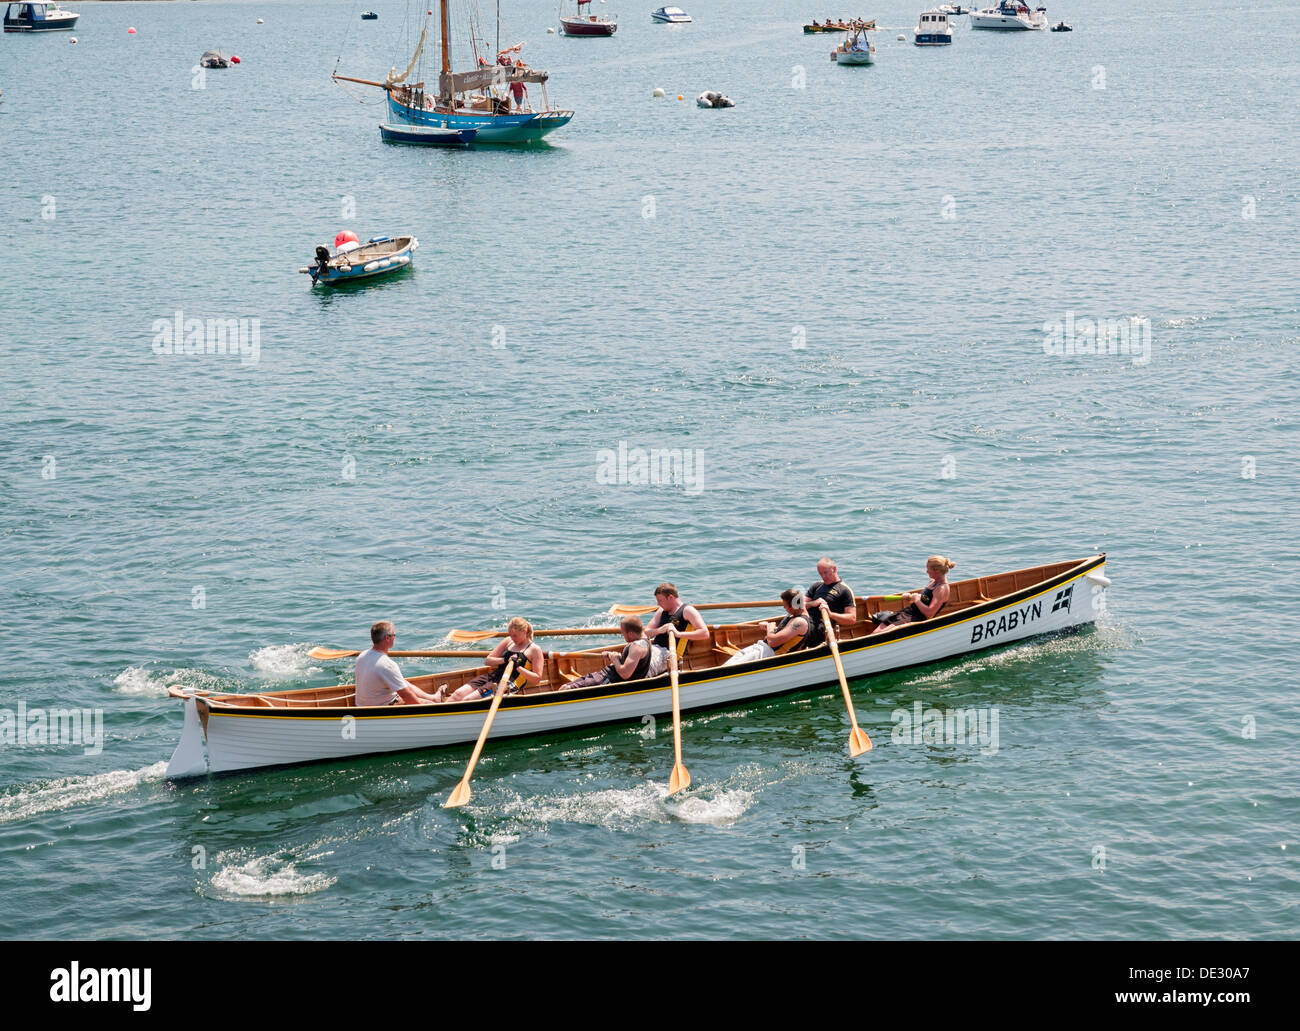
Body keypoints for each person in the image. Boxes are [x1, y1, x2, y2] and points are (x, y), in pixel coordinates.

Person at [433, 617, 545, 702]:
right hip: (493, 676)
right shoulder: (508, 641)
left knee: (468, 700)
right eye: (510, 635)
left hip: (509, 683)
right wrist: (504, 660)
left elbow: (537, 679)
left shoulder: (535, 650)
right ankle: (439, 713)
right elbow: (488, 661)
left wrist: (518, 667)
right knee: (457, 694)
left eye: (515, 635)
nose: (512, 638)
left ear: (525, 631)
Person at [355, 621, 440, 706]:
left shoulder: (362, 656)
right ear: (387, 638)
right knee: (428, 704)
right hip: (382, 707)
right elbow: (407, 696)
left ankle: (433, 698)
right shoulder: (387, 664)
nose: (394, 638)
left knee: (402, 682)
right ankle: (432, 701)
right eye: (393, 635)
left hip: (361, 705)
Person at [723, 588, 811, 666]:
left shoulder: (800, 622)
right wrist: (769, 627)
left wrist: (770, 628)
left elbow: (773, 642)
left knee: (733, 667)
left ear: (794, 607)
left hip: (769, 653)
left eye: (785, 606)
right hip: (761, 647)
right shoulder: (795, 614)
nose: (784, 607)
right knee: (729, 664)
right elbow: (785, 634)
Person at [562, 616, 654, 690]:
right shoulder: (646, 639)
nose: (623, 636)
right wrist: (616, 657)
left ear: (630, 634)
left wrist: (615, 660)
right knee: (568, 685)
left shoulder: (636, 647)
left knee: (566, 688)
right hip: (605, 675)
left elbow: (625, 674)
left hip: (609, 679)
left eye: (623, 633)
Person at [871, 556, 955, 633]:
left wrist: (917, 600)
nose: (926, 571)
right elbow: (923, 600)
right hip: (908, 612)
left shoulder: (942, 589)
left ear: (936, 570)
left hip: (916, 619)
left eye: (928, 569)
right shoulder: (932, 582)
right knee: (875, 633)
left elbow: (929, 613)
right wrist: (910, 597)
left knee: (880, 634)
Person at [643, 583, 710, 661]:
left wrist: (678, 634)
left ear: (670, 597)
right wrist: (660, 630)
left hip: (670, 655)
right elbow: (646, 633)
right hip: (654, 649)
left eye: (660, 600)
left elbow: (704, 633)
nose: (658, 604)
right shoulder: (661, 611)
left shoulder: (688, 611)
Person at [804, 557, 856, 649]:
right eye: (820, 574)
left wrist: (830, 614)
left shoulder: (844, 590)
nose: (823, 577)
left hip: (821, 628)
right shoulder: (817, 585)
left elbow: (852, 619)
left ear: (834, 569)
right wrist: (813, 603)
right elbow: (798, 606)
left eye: (825, 573)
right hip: (806, 620)